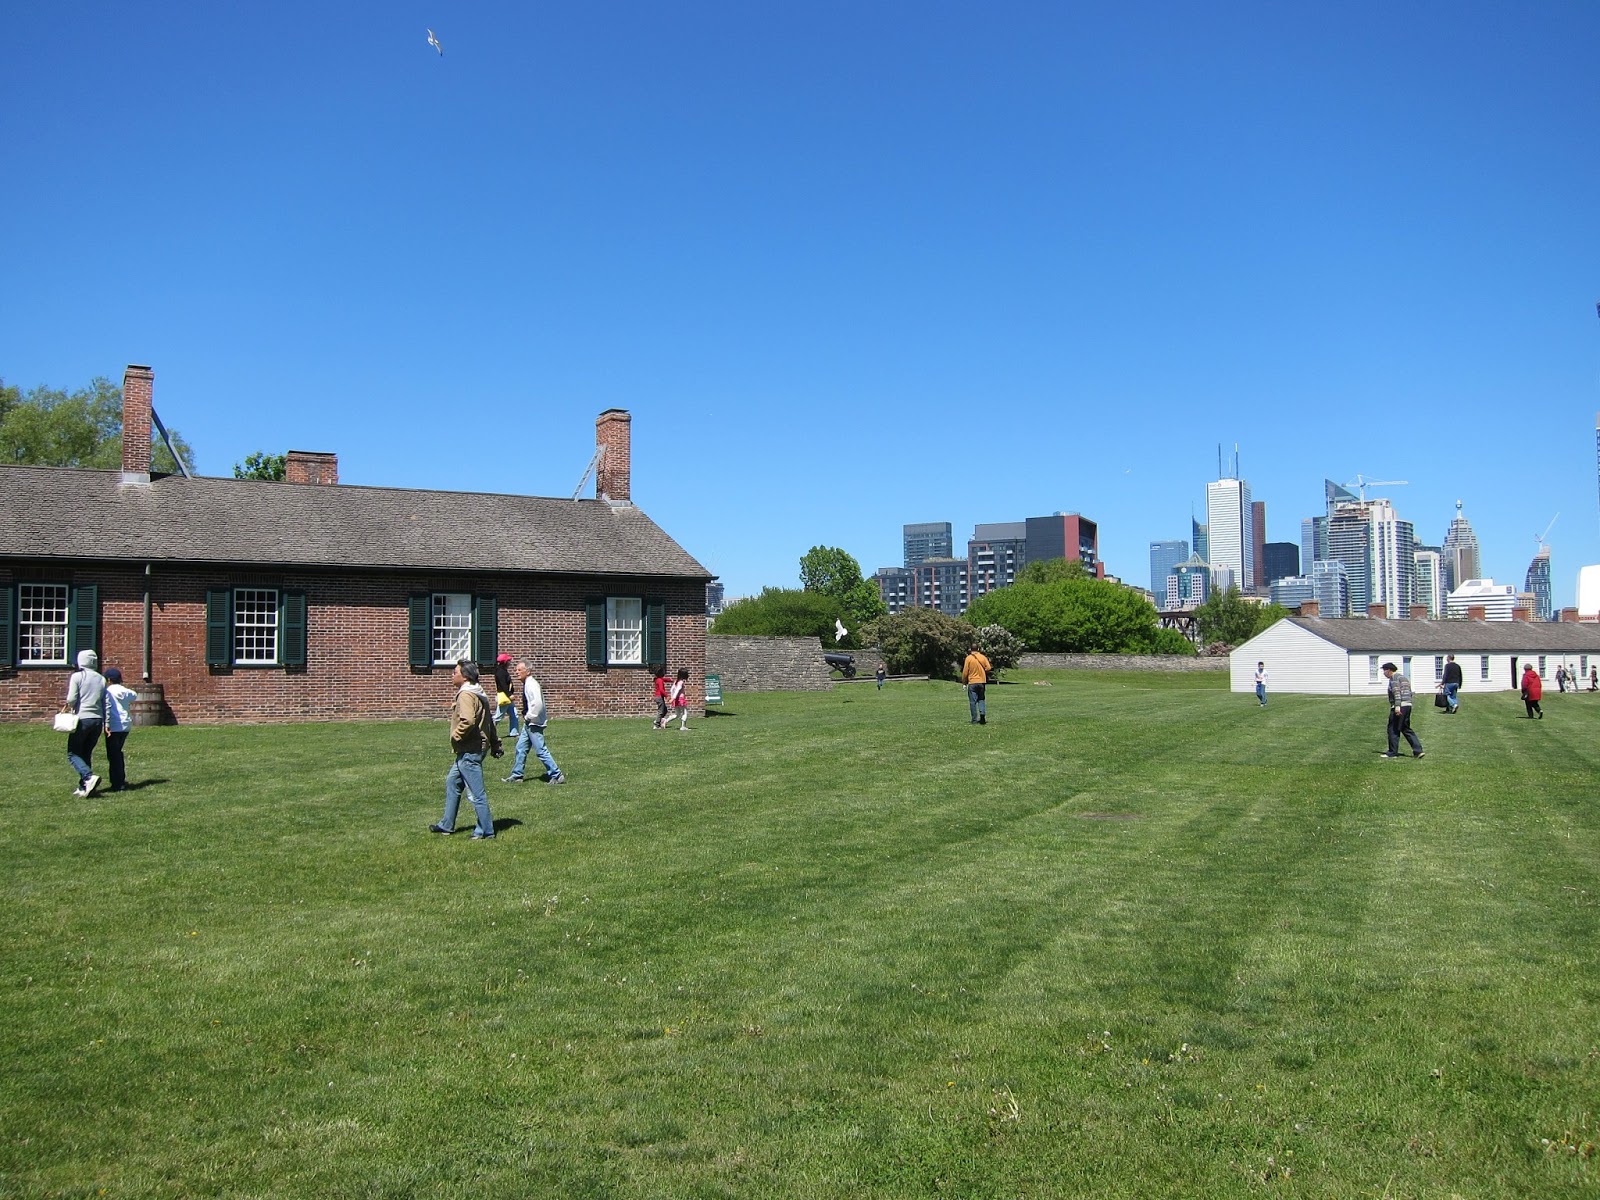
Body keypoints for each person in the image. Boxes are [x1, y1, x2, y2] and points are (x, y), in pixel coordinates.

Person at [430, 660, 502, 839]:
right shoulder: (479, 692)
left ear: (465, 676)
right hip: (473, 749)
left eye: (455, 672)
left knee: (477, 793)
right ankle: (447, 824)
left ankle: (486, 831)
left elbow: (468, 720)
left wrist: (456, 735)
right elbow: (489, 722)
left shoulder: (466, 695)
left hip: (470, 749)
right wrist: (495, 743)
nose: (452, 675)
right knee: (452, 782)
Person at [503, 660, 566, 784]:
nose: (516, 672)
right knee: (520, 747)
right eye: (516, 670)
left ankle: (557, 775)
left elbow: (538, 704)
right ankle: (517, 775)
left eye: (519, 670)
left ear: (528, 671)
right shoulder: (527, 683)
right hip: (530, 722)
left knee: (540, 750)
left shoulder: (532, 685)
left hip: (534, 722)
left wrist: (529, 716)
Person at [63, 649, 109, 797]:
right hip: (97, 719)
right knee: (86, 752)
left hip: (82, 718)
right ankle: (85, 787)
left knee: (73, 753)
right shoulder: (101, 679)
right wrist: (106, 722)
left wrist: (66, 707)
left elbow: (71, 698)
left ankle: (88, 777)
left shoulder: (77, 677)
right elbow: (104, 701)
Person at [103, 666, 139, 792]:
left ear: (108, 679)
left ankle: (118, 782)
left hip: (113, 725)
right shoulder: (125, 691)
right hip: (125, 725)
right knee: (117, 752)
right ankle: (119, 780)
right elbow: (133, 695)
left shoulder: (108, 691)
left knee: (113, 755)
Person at [1380, 662, 1424, 759]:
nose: (1384, 673)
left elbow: (1397, 693)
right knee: (1405, 728)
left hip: (1400, 706)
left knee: (1393, 729)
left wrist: (1397, 707)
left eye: (1384, 670)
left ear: (1389, 670)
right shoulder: (1403, 677)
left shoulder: (1394, 679)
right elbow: (1409, 692)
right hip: (1408, 705)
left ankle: (1392, 752)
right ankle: (1418, 751)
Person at [961, 643, 992, 725]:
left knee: (973, 701)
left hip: (972, 682)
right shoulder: (983, 657)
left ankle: (974, 719)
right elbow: (988, 667)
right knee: (981, 699)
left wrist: (964, 682)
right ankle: (982, 715)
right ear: (978, 649)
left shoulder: (968, 658)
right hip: (982, 681)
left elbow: (965, 672)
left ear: (970, 650)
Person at [492, 652, 520, 736]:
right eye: (508, 661)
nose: (510, 662)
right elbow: (503, 685)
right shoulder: (500, 672)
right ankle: (489, 730)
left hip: (507, 697)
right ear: (505, 662)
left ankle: (514, 732)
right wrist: (509, 694)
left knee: (514, 714)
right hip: (504, 697)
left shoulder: (503, 671)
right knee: (498, 716)